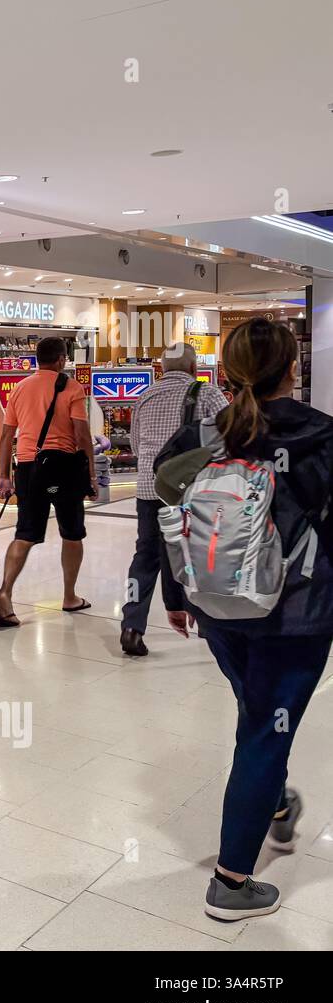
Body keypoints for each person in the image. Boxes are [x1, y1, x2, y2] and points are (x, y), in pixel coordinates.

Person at [155, 318, 333, 921]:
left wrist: (173, 595)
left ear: (226, 373)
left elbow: (164, 510)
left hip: (218, 606)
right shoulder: (323, 438)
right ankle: (232, 882)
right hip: (298, 615)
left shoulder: (199, 436)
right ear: (292, 369)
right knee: (264, 727)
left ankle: (274, 800)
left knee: (259, 715)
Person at [119, 344, 229, 656]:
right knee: (200, 557)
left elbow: (136, 445)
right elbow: (228, 435)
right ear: (194, 368)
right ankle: (208, 625)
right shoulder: (207, 394)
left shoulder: (144, 396)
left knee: (145, 556)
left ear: (161, 369)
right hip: (193, 492)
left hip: (149, 490)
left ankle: (131, 625)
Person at [0, 337, 97, 626]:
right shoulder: (72, 388)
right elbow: (82, 434)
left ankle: (5, 592)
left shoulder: (20, 389)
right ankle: (70, 596)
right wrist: (90, 474)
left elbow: (5, 436)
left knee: (25, 533)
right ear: (62, 359)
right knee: (72, 533)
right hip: (64, 466)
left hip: (28, 467)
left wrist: (4, 475)